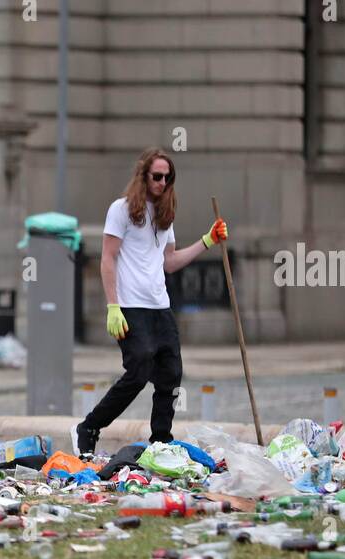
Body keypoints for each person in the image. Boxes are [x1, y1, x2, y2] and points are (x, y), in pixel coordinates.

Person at [72, 147, 228, 457]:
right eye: (157, 176)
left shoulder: (165, 215)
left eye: (168, 178)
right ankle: (89, 427)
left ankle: (161, 442)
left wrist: (207, 241)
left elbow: (169, 262)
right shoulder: (121, 210)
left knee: (170, 374)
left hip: (160, 306)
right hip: (130, 306)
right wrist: (112, 306)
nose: (162, 183)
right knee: (139, 369)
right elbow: (107, 257)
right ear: (143, 176)